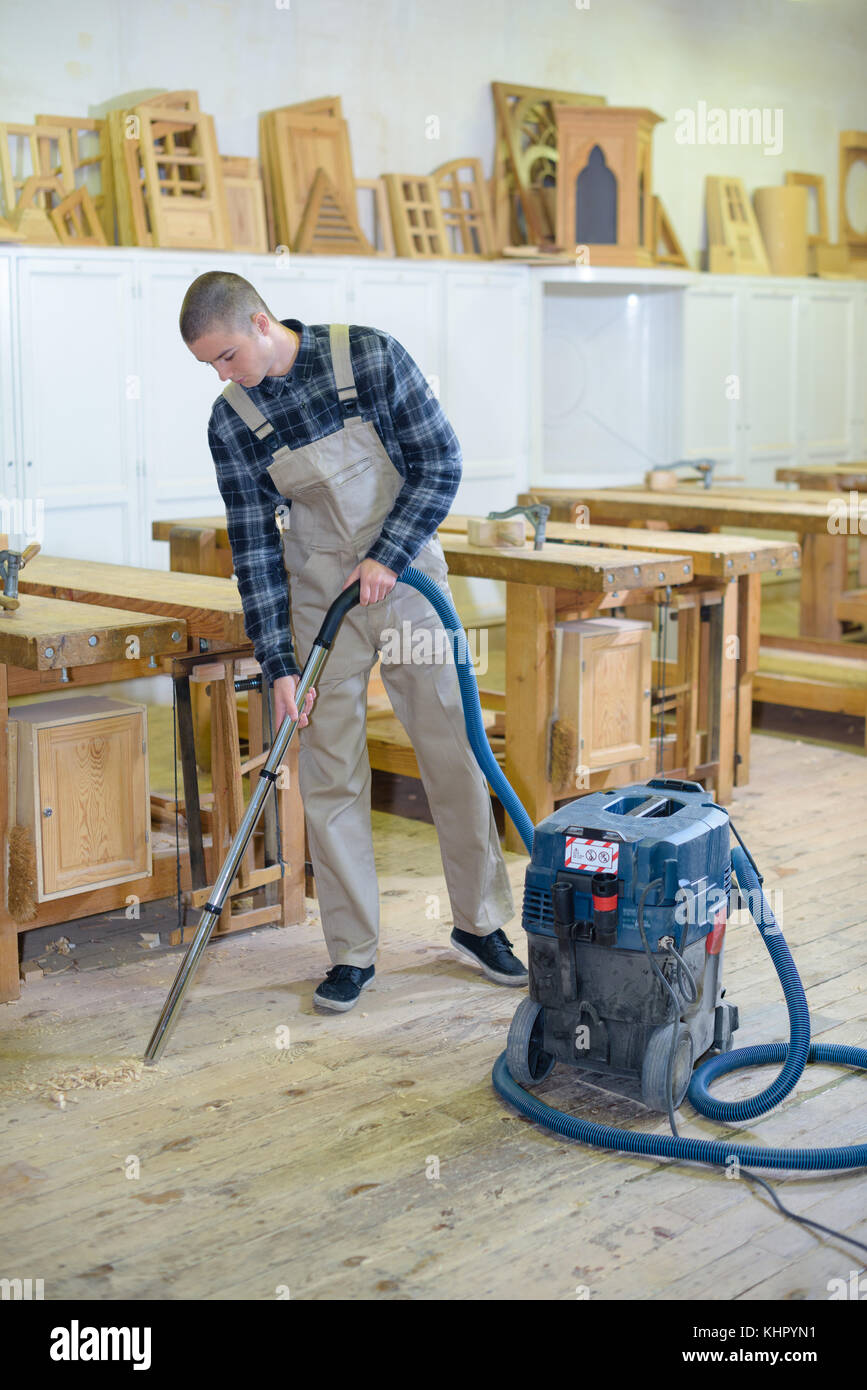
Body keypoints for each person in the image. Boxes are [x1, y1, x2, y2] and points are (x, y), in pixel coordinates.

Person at [179, 271, 526, 1011]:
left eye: (228, 354)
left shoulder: (366, 358)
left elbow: (441, 464)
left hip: (407, 583)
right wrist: (278, 664)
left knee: (452, 750)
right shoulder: (231, 419)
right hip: (316, 600)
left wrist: (387, 554)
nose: (221, 373)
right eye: (209, 364)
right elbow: (252, 549)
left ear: (262, 323)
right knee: (330, 772)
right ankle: (352, 954)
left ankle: (480, 923)